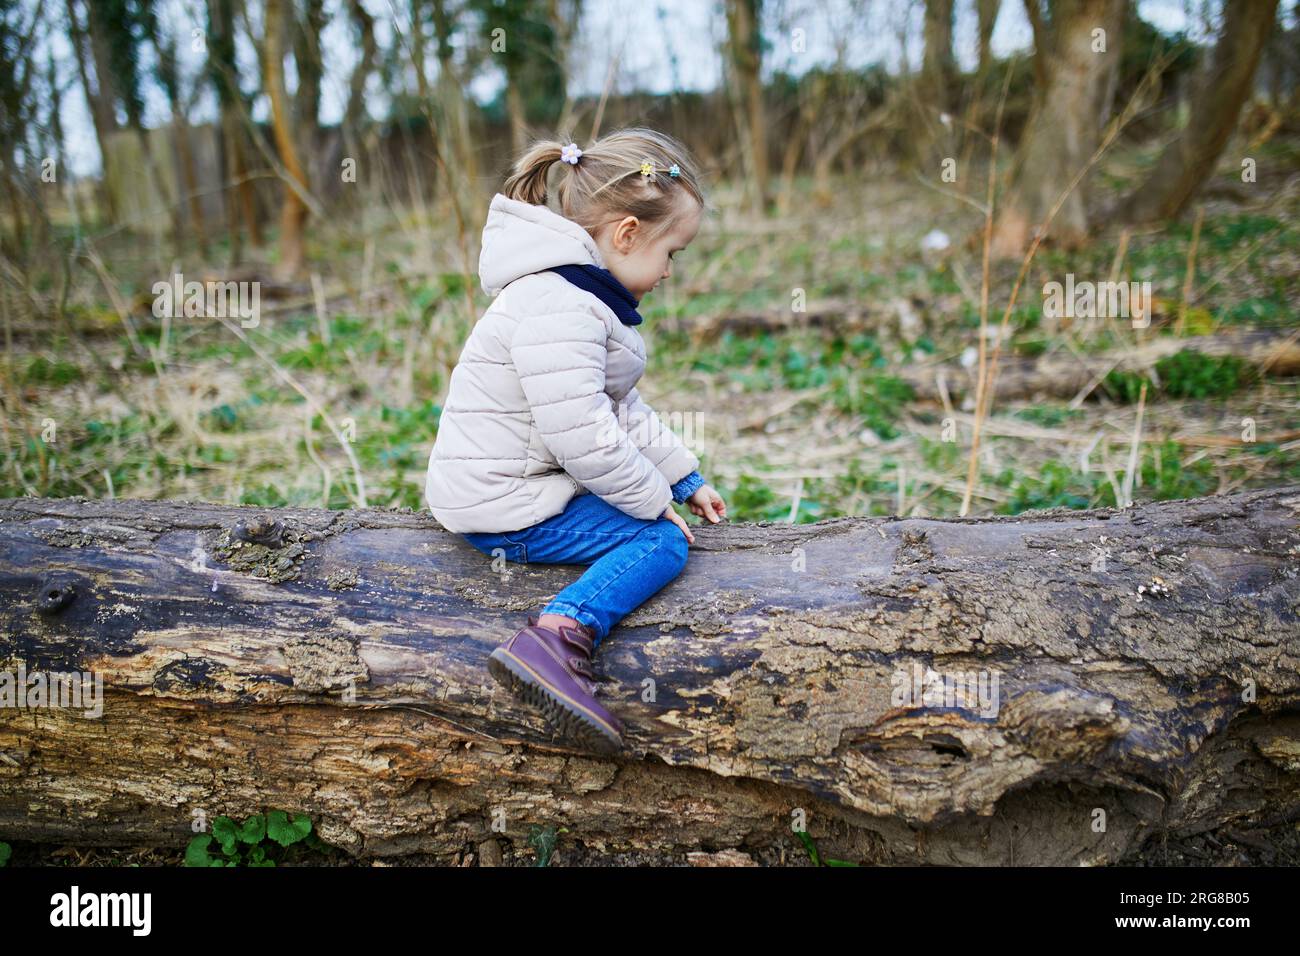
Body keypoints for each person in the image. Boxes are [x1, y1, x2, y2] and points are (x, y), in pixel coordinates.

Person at [425, 127, 727, 753]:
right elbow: (583, 438)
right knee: (662, 541)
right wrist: (652, 500)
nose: (670, 270)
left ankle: (557, 636)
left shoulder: (574, 294)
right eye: (672, 251)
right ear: (625, 234)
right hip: (503, 505)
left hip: (508, 486)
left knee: (660, 516)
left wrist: (681, 475)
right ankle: (557, 637)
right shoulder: (558, 306)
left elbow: (617, 409)